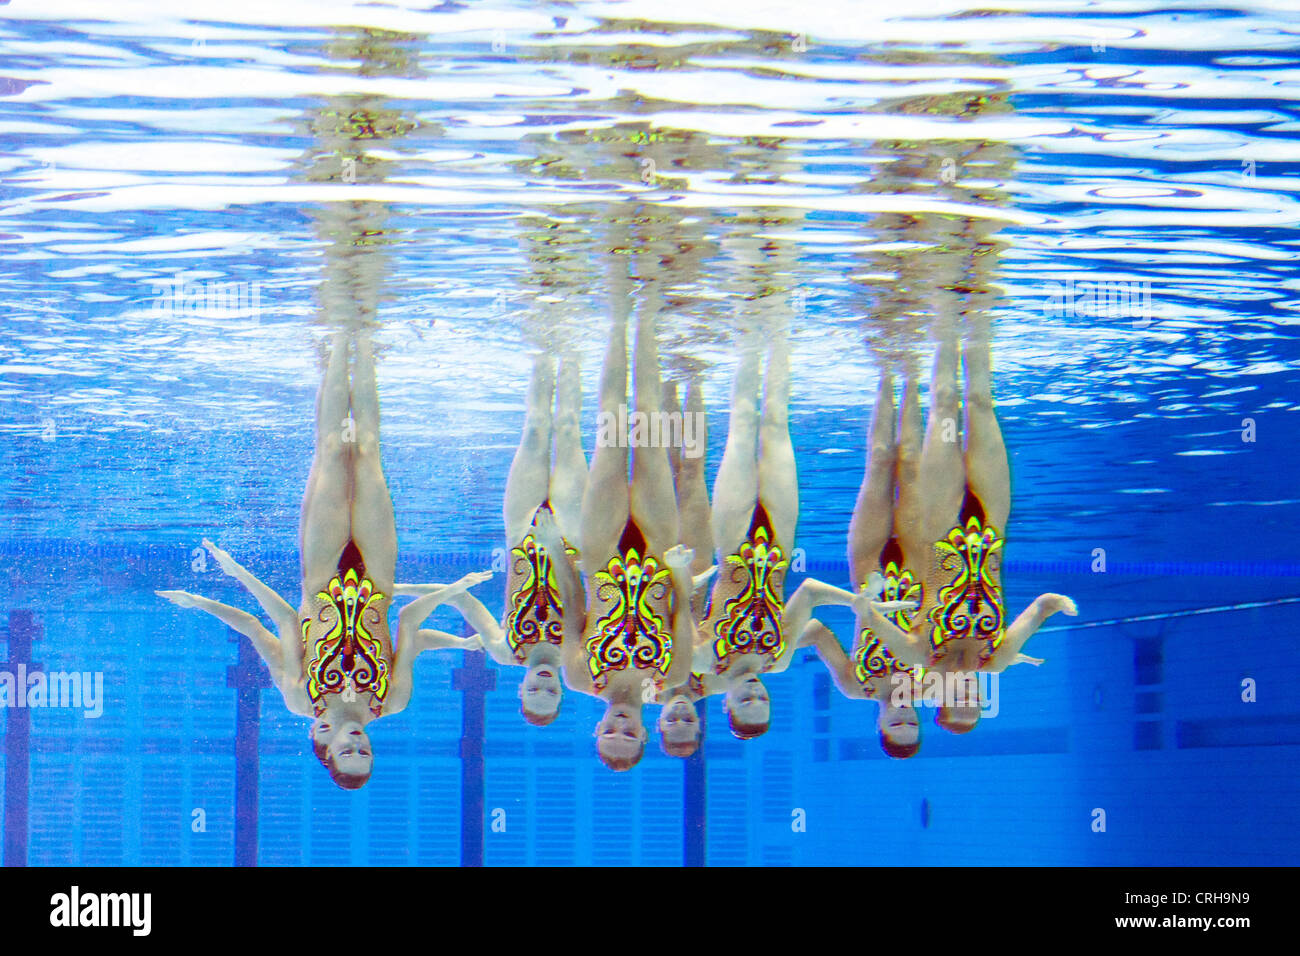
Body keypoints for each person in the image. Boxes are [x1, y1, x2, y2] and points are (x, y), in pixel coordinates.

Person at [158, 328, 491, 789]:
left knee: (333, 453)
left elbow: (273, 625)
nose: (357, 743)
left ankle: (336, 344)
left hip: (319, 578)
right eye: (365, 751)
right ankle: (368, 348)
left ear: (327, 745)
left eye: (346, 752)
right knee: (369, 454)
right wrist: (456, 592)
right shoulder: (391, 702)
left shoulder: (302, 700)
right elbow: (411, 623)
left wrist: (219, 588)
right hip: (377, 578)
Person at [859, 313, 1077, 734]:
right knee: (980, 404)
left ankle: (943, 316)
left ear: (940, 699)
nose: (969, 693)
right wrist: (1062, 606)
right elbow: (1043, 605)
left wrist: (873, 603)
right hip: (991, 526)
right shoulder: (995, 657)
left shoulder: (921, 652)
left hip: (941, 525)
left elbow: (867, 616)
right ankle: (977, 313)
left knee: (944, 406)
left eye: (958, 701)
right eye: (975, 700)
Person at [675, 326, 870, 744]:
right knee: (777, 423)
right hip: (779, 540)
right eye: (761, 702)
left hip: (732, 540)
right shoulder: (777, 658)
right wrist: (860, 603)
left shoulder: (706, 660)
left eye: (744, 703)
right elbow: (812, 592)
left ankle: (747, 331)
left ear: (727, 702)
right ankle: (778, 330)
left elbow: (677, 622)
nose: (753, 695)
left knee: (744, 426)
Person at [552, 277, 698, 772]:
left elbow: (573, 606)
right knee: (650, 426)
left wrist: (556, 548)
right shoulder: (674, 675)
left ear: (597, 728)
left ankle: (618, 315)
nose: (620, 724)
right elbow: (682, 616)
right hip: (657, 553)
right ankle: (650, 312)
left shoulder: (577, 676)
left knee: (612, 427)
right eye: (629, 734)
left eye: (610, 732)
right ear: (642, 734)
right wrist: (679, 572)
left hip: (598, 553)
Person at [401, 352, 587, 727]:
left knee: (535, 430)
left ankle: (544, 349)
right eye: (551, 694)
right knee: (567, 430)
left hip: (521, 534)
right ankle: (573, 351)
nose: (543, 686)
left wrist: (400, 587)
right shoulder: (577, 653)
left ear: (520, 689)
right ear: (562, 692)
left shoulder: (505, 652)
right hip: (570, 534)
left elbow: (465, 600)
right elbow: (581, 597)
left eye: (534, 692)